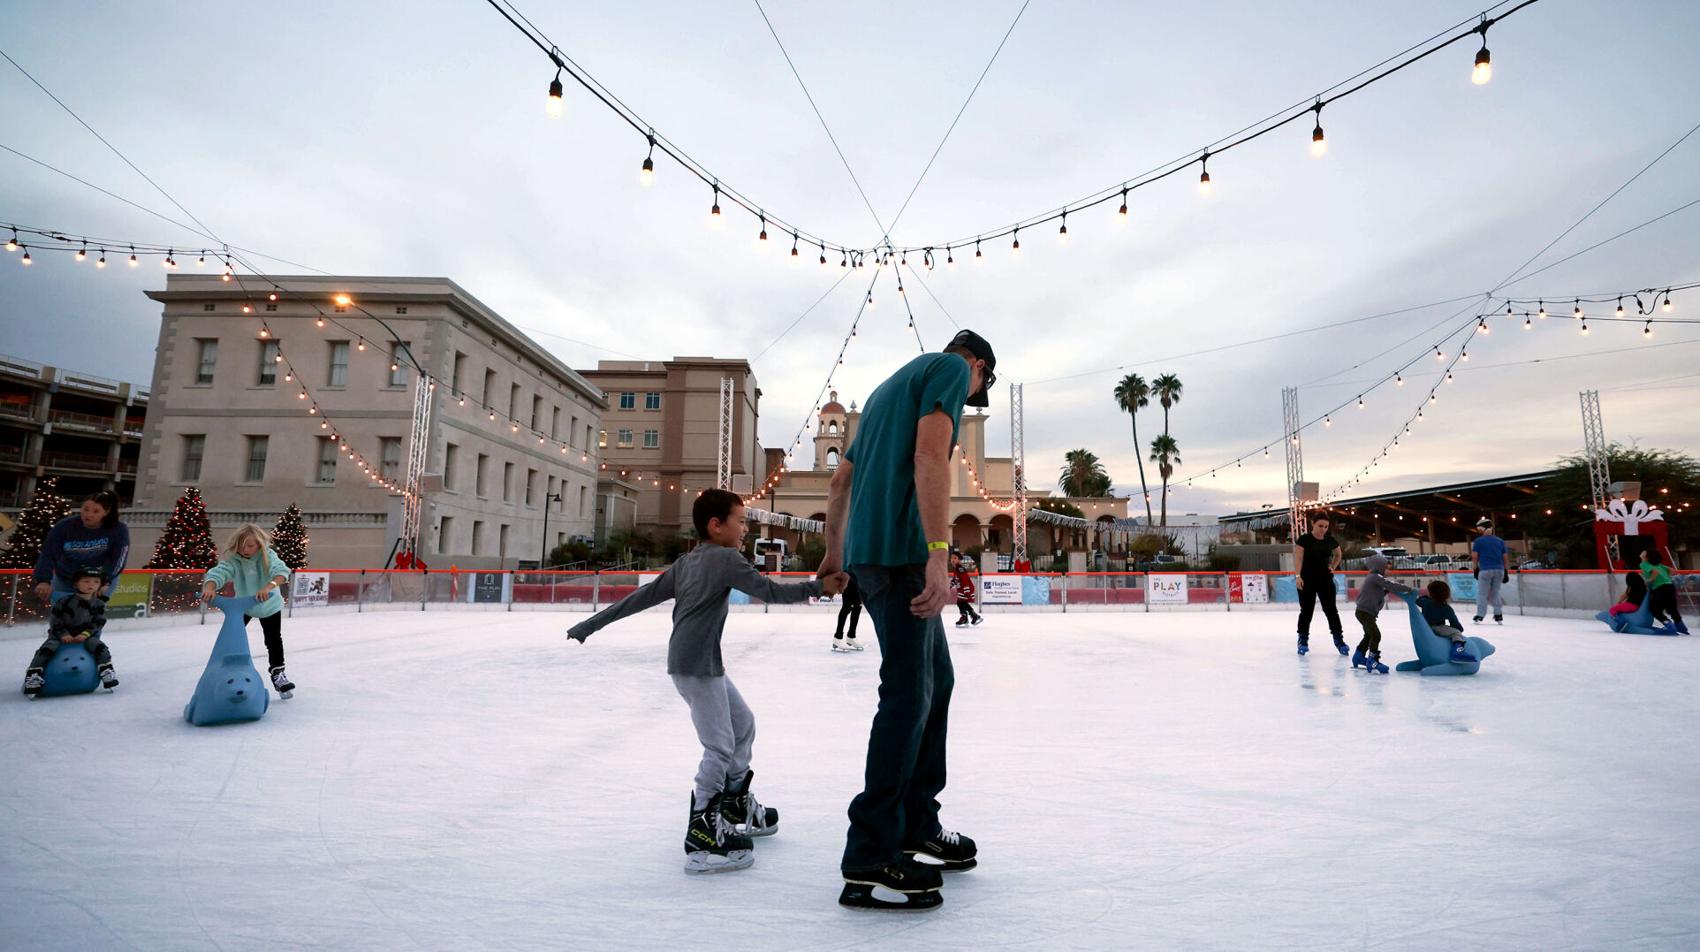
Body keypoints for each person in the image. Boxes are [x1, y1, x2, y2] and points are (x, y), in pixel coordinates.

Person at [568, 489, 845, 874]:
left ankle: (733, 803)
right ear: (716, 525)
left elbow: (641, 597)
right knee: (719, 746)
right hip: (696, 665)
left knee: (743, 724)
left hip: (694, 662)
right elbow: (769, 591)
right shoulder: (725, 558)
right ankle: (702, 830)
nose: (745, 529)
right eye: (740, 521)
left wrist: (590, 624)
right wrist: (819, 588)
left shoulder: (689, 561)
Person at [819, 328, 996, 912]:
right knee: (906, 696)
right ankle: (870, 855)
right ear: (976, 365)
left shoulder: (882, 393)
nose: (971, 394)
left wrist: (834, 553)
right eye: (980, 385)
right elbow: (928, 456)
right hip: (902, 558)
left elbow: (840, 480)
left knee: (935, 683)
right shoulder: (949, 369)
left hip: (872, 557)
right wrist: (939, 554)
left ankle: (917, 822)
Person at [201, 524, 295, 697]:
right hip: (244, 606)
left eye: (250, 546)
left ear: (259, 544)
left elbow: (281, 571)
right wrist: (210, 586)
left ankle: (278, 674)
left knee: (273, 640)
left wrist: (269, 587)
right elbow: (219, 572)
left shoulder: (268, 556)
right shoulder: (234, 560)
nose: (245, 550)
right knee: (230, 638)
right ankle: (222, 671)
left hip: (269, 605)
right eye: (241, 546)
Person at [23, 565, 117, 696]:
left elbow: (98, 622)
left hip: (86, 636)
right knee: (48, 648)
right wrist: (63, 634)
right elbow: (56, 620)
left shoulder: (99, 604)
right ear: (76, 583)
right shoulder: (64, 601)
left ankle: (106, 670)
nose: (91, 585)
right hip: (60, 636)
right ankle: (33, 674)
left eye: (96, 582)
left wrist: (85, 634)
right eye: (86, 581)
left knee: (99, 647)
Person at [31, 490, 129, 604]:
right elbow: (48, 553)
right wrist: (43, 580)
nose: (89, 515)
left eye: (96, 511)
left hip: (98, 581)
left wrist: (105, 581)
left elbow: (119, 559)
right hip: (66, 578)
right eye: (85, 509)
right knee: (62, 611)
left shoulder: (118, 529)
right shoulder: (64, 526)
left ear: (106, 512)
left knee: (90, 611)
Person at [1352, 554, 1416, 674]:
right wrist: (1408, 589)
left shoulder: (1374, 578)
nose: (1388, 571)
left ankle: (1358, 656)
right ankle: (1372, 660)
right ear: (1379, 567)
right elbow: (1391, 585)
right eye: (1386, 568)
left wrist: (1385, 591)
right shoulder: (1375, 577)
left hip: (1364, 612)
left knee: (1369, 635)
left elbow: (1379, 592)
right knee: (1376, 635)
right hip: (1365, 612)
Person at [1293, 514, 1345, 656]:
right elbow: (1298, 558)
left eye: (1326, 527)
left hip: (1325, 580)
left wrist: (1333, 567)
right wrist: (1298, 576)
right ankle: (1303, 640)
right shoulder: (1304, 540)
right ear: (1313, 524)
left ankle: (1339, 640)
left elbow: (1338, 554)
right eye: (1320, 526)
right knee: (1306, 610)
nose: (1323, 529)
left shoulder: (1329, 540)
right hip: (1306, 580)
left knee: (1331, 610)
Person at [1415, 580, 1477, 663]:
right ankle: (1458, 652)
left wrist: (1425, 597)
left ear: (1431, 593)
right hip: (1437, 628)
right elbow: (1455, 624)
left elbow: (1417, 601)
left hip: (1425, 628)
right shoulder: (1447, 608)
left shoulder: (1426, 602)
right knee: (1456, 633)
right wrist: (1458, 630)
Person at [1470, 518, 1509, 624]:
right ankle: (1498, 615)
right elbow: (1505, 557)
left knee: (1482, 594)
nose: (1479, 531)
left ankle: (1480, 615)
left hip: (1485, 570)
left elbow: (1475, 557)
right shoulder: (1500, 541)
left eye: (1479, 529)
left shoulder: (1478, 541)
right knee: (1496, 592)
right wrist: (1506, 572)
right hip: (1499, 570)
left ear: (1483, 528)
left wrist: (1475, 569)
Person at [1640, 549, 1687, 634]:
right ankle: (1681, 627)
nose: (1642, 552)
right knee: (1671, 608)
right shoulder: (1659, 565)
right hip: (1669, 586)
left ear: (1647, 557)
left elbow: (1655, 572)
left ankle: (1669, 625)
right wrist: (1666, 578)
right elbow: (1671, 570)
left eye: (1644, 552)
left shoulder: (1644, 564)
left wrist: (1649, 580)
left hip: (1659, 588)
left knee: (1654, 609)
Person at [832, 571, 864, 652]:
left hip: (858, 575)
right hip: (847, 575)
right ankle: (838, 637)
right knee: (847, 606)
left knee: (858, 606)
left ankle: (851, 636)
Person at [951, 554, 983, 627]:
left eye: (955, 558)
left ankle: (967, 617)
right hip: (962, 589)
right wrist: (951, 584)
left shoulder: (960, 569)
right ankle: (971, 616)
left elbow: (965, 579)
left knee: (961, 603)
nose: (953, 560)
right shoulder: (957, 568)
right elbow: (956, 579)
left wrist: (967, 590)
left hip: (965, 588)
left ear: (959, 560)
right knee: (961, 603)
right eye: (952, 558)